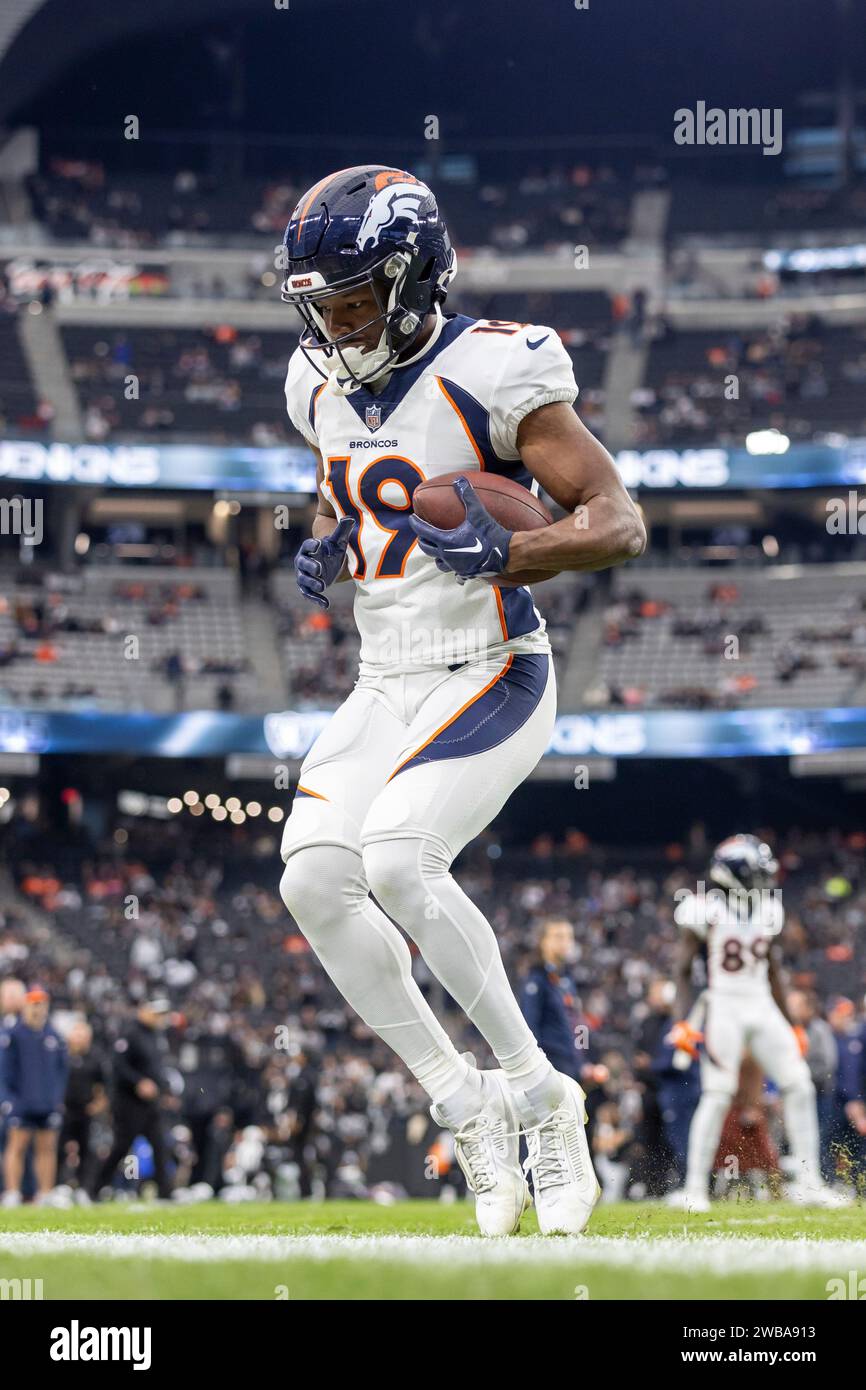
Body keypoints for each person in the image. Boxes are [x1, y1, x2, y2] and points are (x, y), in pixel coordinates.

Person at [278, 164, 645, 1236]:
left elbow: (617, 520)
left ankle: (542, 1094)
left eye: (355, 298)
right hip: (381, 677)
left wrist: (518, 547)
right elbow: (349, 484)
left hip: (491, 664)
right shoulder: (313, 383)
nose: (338, 323)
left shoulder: (494, 365)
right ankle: (462, 1097)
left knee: (396, 857)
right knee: (312, 881)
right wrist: (329, 542)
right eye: (322, 304)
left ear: (414, 277)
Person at [667, 835, 847, 1211]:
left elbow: (774, 970)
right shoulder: (703, 909)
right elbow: (683, 969)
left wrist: (791, 1023)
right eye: (756, 873)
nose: (764, 881)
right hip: (724, 1006)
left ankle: (809, 1180)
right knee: (717, 1094)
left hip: (761, 1005)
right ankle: (694, 1188)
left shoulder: (767, 909)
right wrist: (682, 1021)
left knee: (798, 1084)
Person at [92, 998, 174, 1200]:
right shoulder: (130, 1033)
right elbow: (117, 1065)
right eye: (155, 1013)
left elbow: (156, 1068)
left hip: (150, 1104)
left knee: (160, 1145)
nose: (159, 1017)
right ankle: (94, 1189)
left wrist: (163, 1089)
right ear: (143, 1011)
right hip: (129, 1103)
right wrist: (138, 1082)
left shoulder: (156, 1035)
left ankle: (166, 1194)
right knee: (121, 1147)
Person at [0, 987, 68, 1205]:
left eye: (41, 1004)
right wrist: (8, 1099)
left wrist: (57, 1099)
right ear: (25, 1005)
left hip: (47, 1102)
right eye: (33, 1004)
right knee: (16, 1146)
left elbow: (61, 1072)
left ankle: (46, 1192)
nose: (37, 1009)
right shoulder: (13, 1034)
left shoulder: (53, 1036)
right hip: (21, 1101)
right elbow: (4, 1070)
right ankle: (12, 1192)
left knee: (47, 1148)